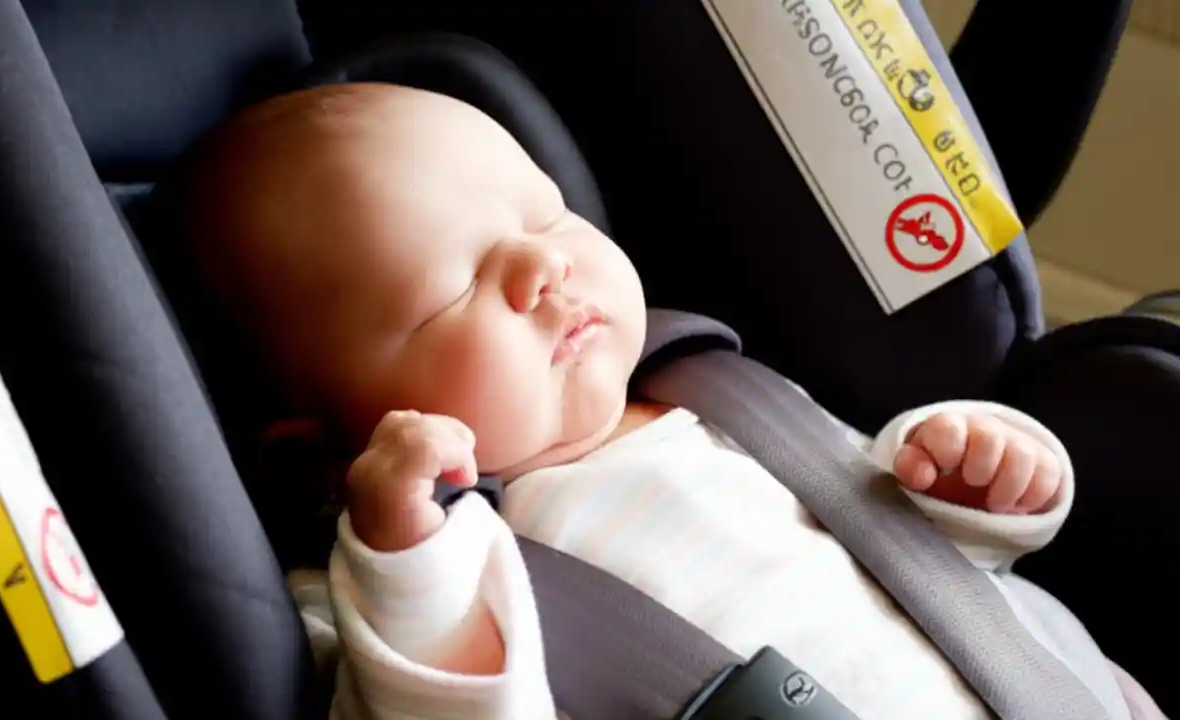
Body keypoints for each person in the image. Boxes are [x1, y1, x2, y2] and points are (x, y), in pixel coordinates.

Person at [175, 82, 1107, 719]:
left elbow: (922, 555)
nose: (543, 264)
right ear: (326, 452)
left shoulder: (722, 396)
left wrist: (973, 481)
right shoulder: (382, 593)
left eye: (544, 216)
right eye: (448, 292)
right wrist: (408, 569)